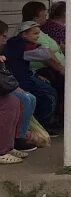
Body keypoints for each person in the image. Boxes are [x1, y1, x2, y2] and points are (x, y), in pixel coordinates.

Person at [2, 21, 59, 133]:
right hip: (20, 80)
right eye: (35, 34)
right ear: (24, 34)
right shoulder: (23, 45)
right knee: (50, 93)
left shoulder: (14, 43)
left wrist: (35, 74)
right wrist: (42, 45)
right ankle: (43, 125)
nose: (38, 36)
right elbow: (45, 55)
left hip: (19, 77)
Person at [0, 20, 38, 156]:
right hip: (5, 87)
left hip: (6, 85)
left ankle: (17, 138)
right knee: (14, 102)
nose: (5, 40)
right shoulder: (16, 45)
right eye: (3, 36)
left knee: (27, 98)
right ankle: (5, 147)